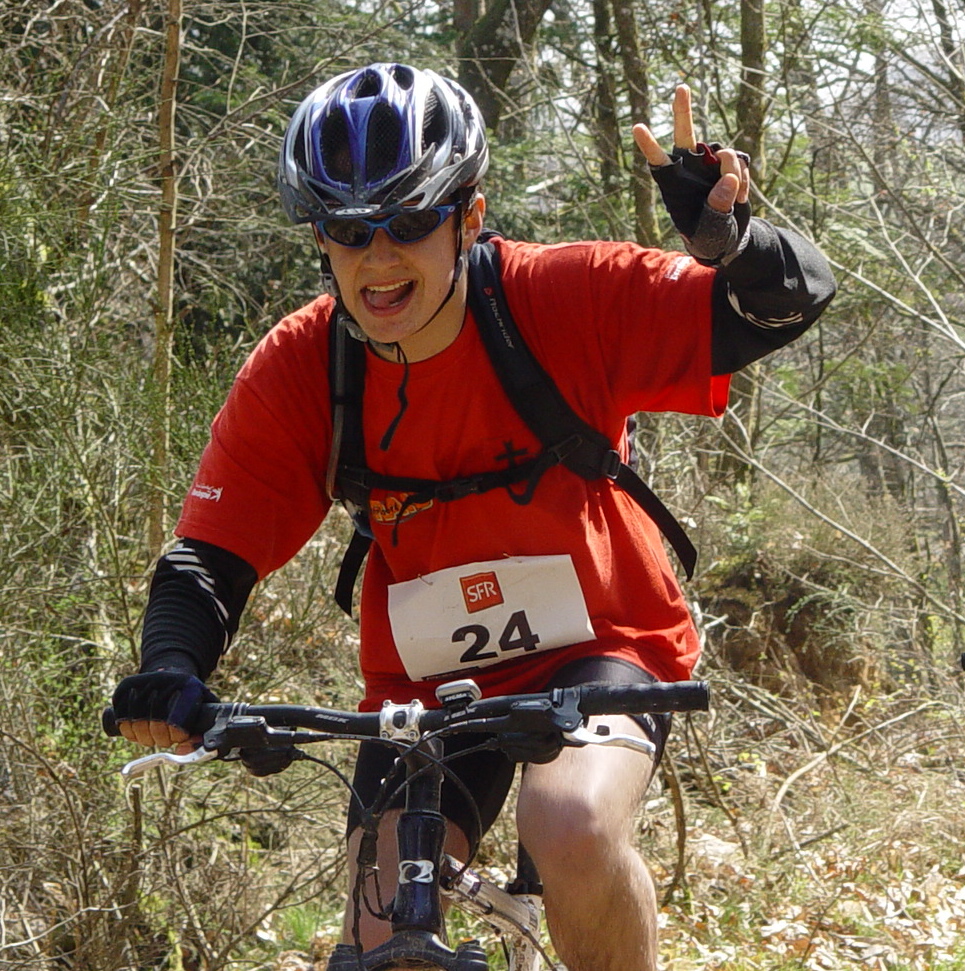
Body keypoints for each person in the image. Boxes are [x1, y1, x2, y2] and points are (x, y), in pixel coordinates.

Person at [109, 64, 834, 971]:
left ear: (470, 216)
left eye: (410, 224)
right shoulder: (304, 366)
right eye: (347, 231)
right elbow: (210, 557)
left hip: (603, 639)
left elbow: (784, 303)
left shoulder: (562, 298)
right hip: (426, 684)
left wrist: (737, 244)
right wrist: (170, 668)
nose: (379, 259)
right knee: (384, 934)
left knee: (568, 826)